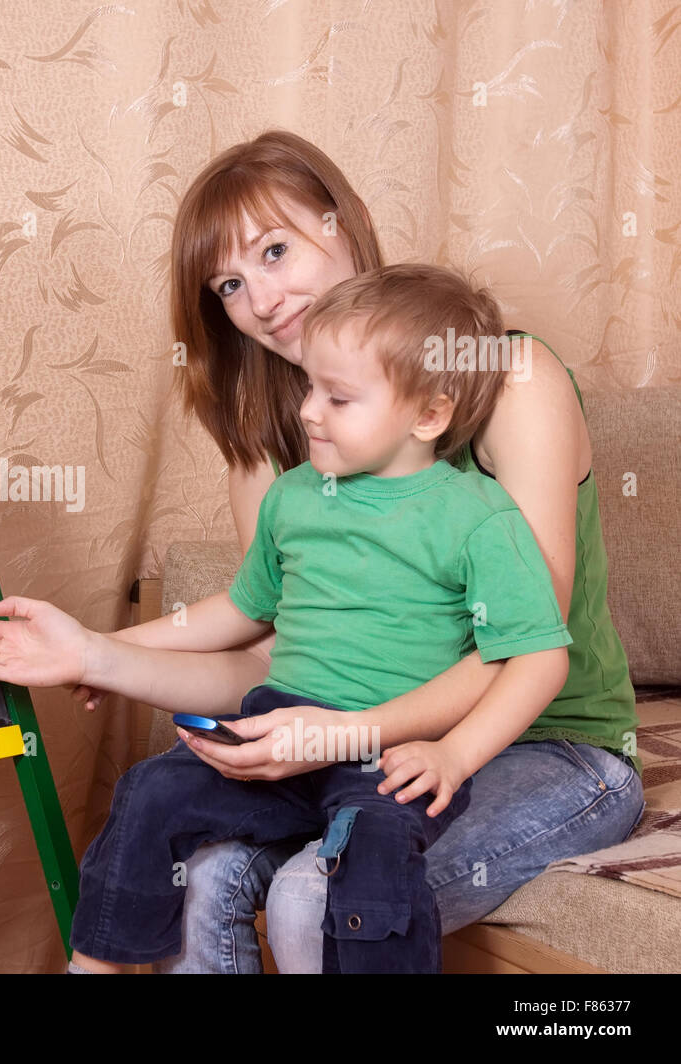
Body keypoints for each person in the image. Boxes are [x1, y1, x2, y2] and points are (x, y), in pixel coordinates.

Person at [82, 130, 642, 974]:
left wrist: (335, 734)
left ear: (342, 224)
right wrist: (101, 654)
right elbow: (274, 652)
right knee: (201, 868)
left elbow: (520, 650)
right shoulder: (278, 449)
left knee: (316, 894)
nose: (261, 300)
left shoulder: (505, 376)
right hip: (357, 749)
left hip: (544, 739)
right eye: (230, 285)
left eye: (276, 252)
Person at [0, 263, 573, 972]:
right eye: (309, 388)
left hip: (384, 752)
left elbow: (536, 655)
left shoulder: (477, 519)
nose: (307, 413)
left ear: (429, 414)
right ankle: (95, 965)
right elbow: (244, 609)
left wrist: (454, 754)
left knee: (373, 857)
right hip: (278, 727)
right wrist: (95, 648)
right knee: (152, 790)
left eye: (339, 397)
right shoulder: (295, 497)